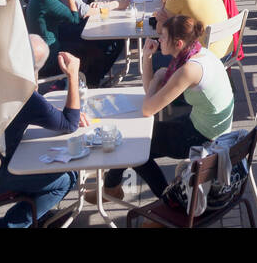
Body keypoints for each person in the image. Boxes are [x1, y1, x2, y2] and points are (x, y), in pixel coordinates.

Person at [94, 15, 235, 204]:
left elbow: (147, 108)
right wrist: (147, 58)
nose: (159, 39)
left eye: (163, 36)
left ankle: (170, 202)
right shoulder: (197, 53)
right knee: (137, 141)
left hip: (206, 139)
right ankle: (111, 188)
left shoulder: (188, 69)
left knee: (135, 148)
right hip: (207, 126)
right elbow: (150, 94)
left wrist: (158, 78)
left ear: (178, 42)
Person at [0, 37, 84, 227]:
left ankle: (36, 212)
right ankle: (13, 224)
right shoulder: (21, 94)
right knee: (65, 178)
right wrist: (73, 75)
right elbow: (69, 124)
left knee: (39, 160)